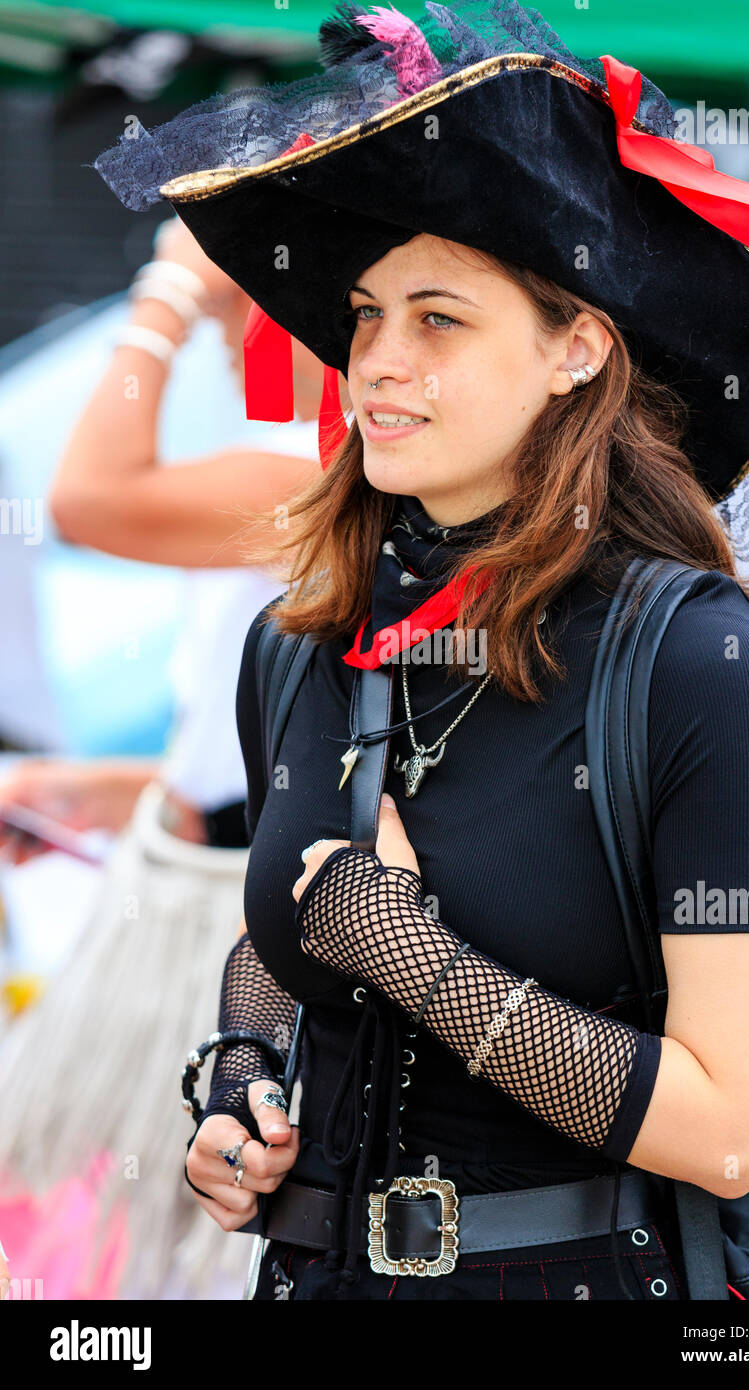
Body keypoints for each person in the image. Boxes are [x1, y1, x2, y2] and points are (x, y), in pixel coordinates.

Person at [93, 0, 749, 1300]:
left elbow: (733, 1127)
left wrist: (412, 954)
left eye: (438, 319)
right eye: (365, 315)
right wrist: (239, 1080)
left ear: (577, 348)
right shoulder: (301, 642)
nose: (376, 363)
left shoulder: (687, 656)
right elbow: (281, 933)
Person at [0, 219, 334, 1299]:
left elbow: (86, 497)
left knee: (199, 1258)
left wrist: (167, 293)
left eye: (241, 303)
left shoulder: (321, 478)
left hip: (246, 938)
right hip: (213, 898)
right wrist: (97, 792)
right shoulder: (311, 470)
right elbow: (239, 766)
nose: (226, 334)